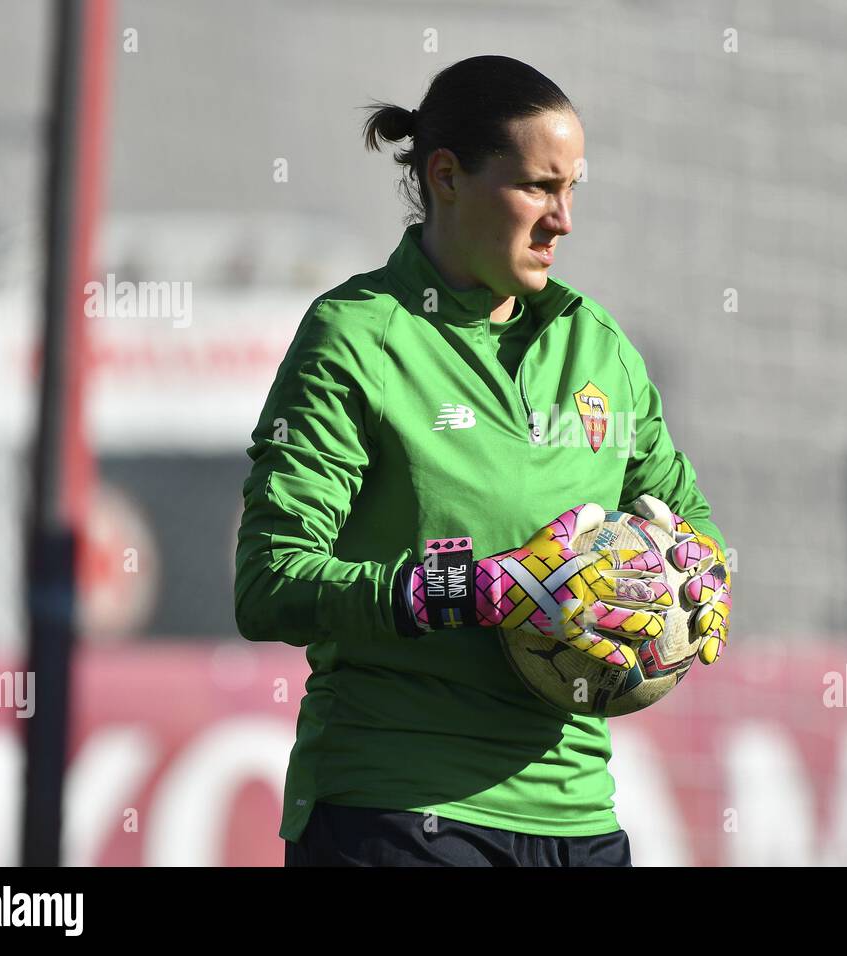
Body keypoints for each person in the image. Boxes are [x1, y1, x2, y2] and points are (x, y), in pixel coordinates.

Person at [234, 55, 732, 867]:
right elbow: (269, 585)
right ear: (447, 177)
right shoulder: (357, 336)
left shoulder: (598, 348)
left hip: (578, 819)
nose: (563, 219)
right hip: (395, 811)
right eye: (538, 186)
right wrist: (475, 589)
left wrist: (699, 577)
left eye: (573, 189)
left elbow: (690, 521)